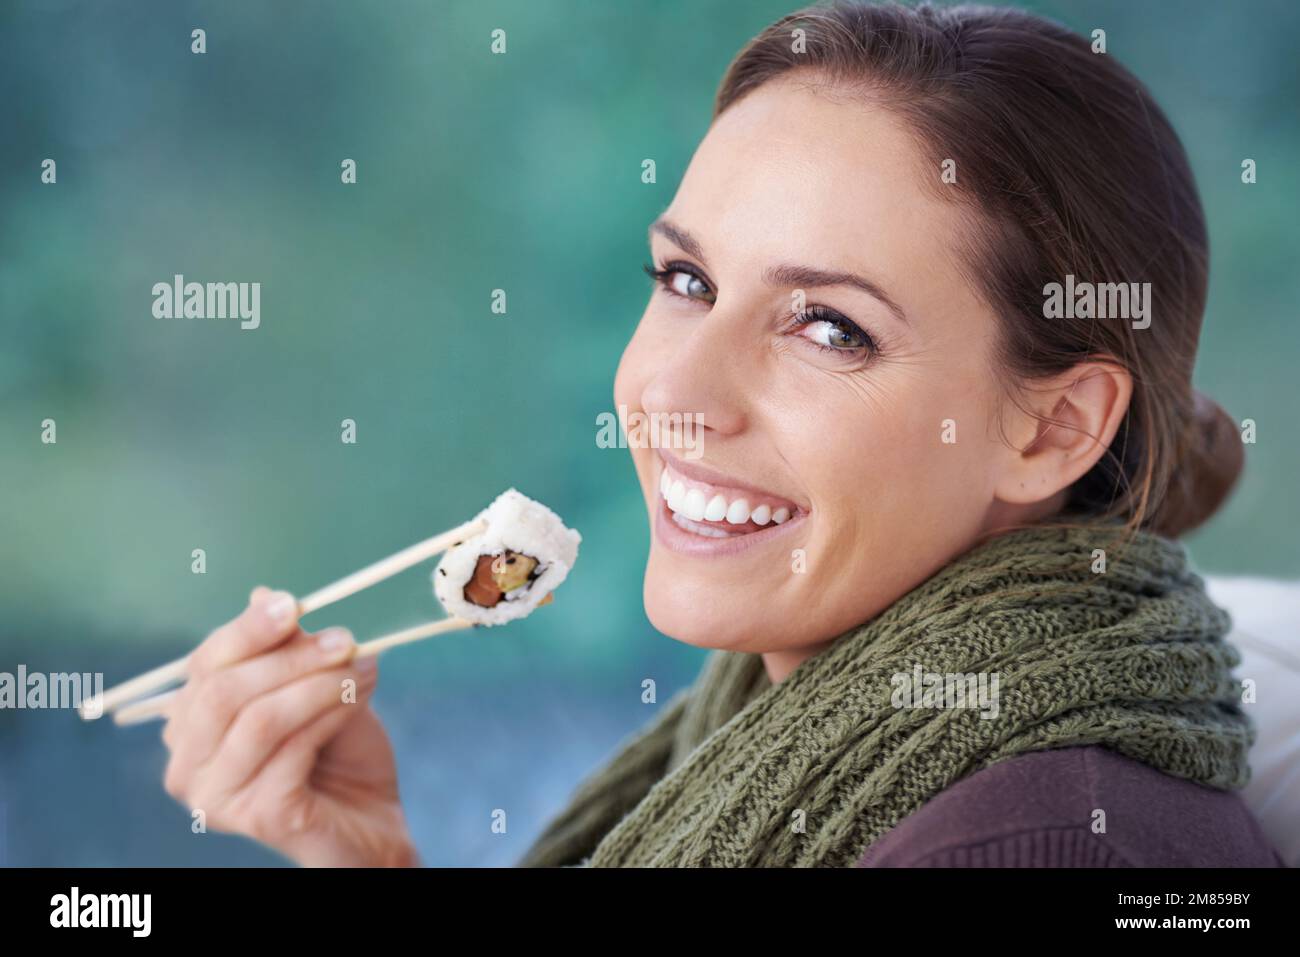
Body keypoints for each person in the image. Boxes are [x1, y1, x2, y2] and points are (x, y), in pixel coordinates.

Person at [157, 1, 1283, 867]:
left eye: (829, 327)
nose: (674, 391)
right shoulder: (775, 733)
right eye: (686, 279)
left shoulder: (1041, 846)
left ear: (1052, 428)